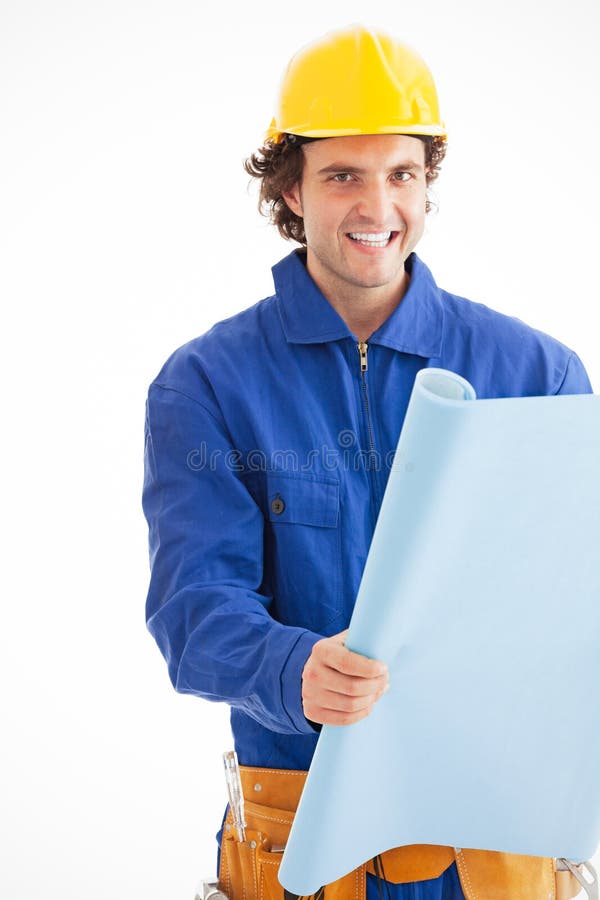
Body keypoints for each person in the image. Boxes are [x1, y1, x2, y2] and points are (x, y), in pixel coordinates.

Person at [142, 25, 592, 900]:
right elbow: (193, 613)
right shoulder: (207, 384)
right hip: (300, 839)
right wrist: (293, 669)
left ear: (428, 185)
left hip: (496, 837)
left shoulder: (539, 376)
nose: (376, 206)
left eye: (402, 174)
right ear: (292, 190)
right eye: (343, 174)